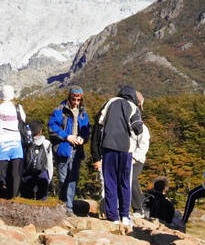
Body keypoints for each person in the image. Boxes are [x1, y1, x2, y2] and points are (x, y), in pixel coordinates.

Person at [90, 84, 143, 229]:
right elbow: (138, 128)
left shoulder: (109, 102)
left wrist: (96, 153)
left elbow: (98, 123)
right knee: (125, 182)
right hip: (126, 150)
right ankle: (125, 216)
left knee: (110, 181)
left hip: (107, 147)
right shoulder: (132, 106)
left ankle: (112, 216)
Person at [48, 88, 90, 216]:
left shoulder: (83, 113)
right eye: (74, 99)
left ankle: (69, 208)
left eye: (78, 100)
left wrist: (83, 138)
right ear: (69, 97)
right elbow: (52, 127)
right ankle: (63, 206)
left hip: (77, 150)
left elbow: (86, 130)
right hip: (63, 149)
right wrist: (67, 137)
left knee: (72, 180)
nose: (76, 102)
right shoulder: (60, 110)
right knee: (63, 179)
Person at [0, 85, 27, 200]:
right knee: (15, 174)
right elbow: (23, 121)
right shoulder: (19, 108)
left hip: (1, 143)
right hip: (16, 143)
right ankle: (14, 200)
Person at [21, 121, 54, 200]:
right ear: (40, 131)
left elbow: (22, 161)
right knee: (42, 197)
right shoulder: (47, 143)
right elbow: (49, 163)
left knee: (27, 198)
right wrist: (49, 178)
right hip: (42, 173)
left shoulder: (26, 143)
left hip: (27, 173)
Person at [130, 92, 150, 218]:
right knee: (131, 180)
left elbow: (144, 144)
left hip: (137, 158)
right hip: (125, 156)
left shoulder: (141, 126)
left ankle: (139, 208)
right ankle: (142, 206)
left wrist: (135, 157)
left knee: (130, 178)